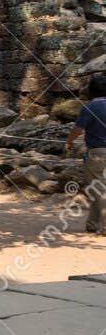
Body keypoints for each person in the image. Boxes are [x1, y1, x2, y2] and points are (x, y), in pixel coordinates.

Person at [63, 73, 106, 233]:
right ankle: (92, 223)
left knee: (99, 188)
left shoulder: (89, 107)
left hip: (97, 152)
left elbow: (77, 129)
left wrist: (69, 141)